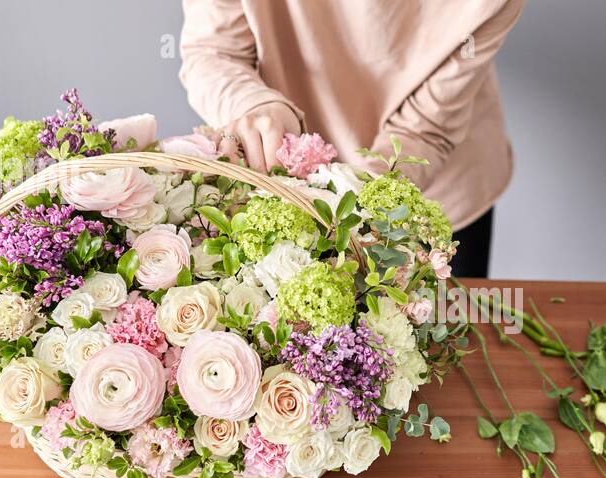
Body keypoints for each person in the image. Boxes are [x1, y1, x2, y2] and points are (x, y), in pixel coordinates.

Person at [179, 0, 525, 277]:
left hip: (431, 194)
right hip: (280, 187)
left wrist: (357, 212)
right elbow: (214, 50)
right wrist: (254, 103)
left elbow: (423, 130)